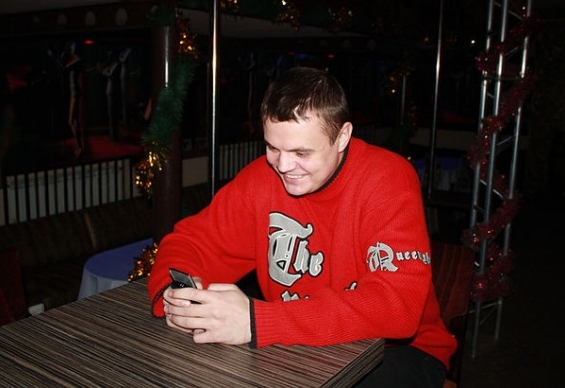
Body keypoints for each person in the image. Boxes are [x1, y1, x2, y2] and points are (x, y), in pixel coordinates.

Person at [147, 66, 456, 387]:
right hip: (298, 341)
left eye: (301, 152)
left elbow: (397, 309)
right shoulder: (260, 179)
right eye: (272, 148)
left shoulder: (388, 179)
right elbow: (191, 242)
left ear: (342, 137)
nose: (283, 166)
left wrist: (257, 321)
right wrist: (177, 296)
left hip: (400, 351)